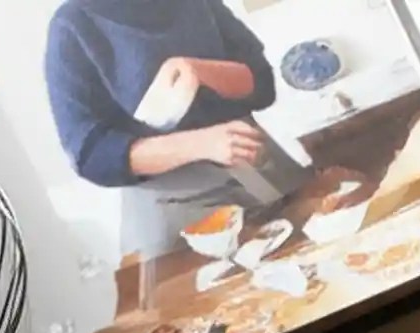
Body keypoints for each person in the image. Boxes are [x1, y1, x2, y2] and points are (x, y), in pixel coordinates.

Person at [45, 0, 288, 311]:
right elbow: (90, 155)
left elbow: (262, 83)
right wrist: (201, 144)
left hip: (258, 175)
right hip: (174, 214)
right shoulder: (73, 25)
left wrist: (198, 70)